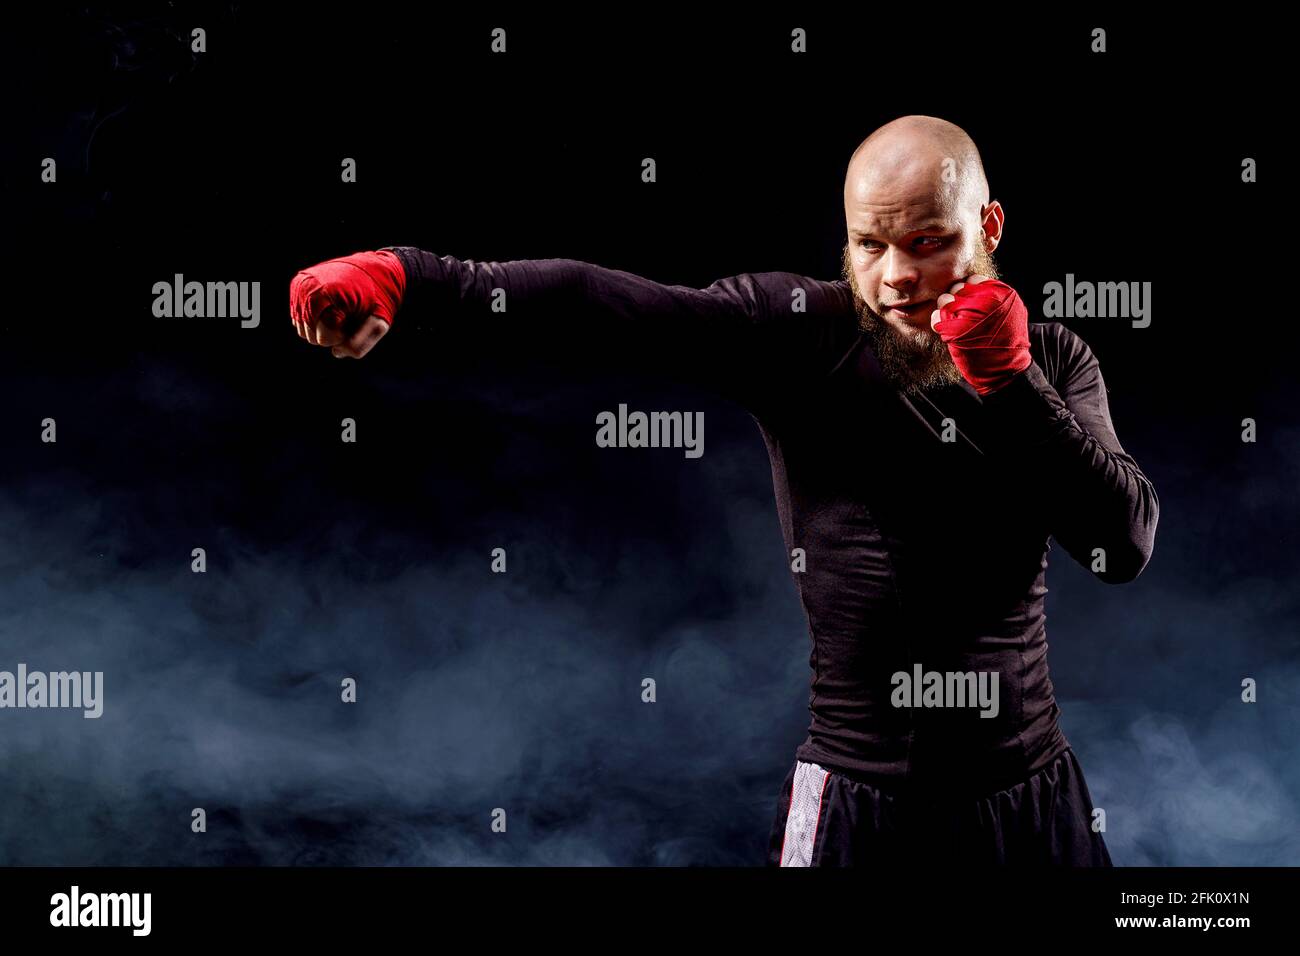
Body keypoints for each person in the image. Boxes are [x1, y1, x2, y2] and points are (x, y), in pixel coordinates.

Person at [289, 115, 1159, 866]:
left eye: (928, 241)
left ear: (988, 225)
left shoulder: (1053, 359)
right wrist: (408, 275)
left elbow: (1120, 544)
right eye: (870, 243)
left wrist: (1010, 388)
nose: (897, 275)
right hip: (863, 804)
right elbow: (605, 303)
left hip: (1033, 796)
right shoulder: (802, 334)